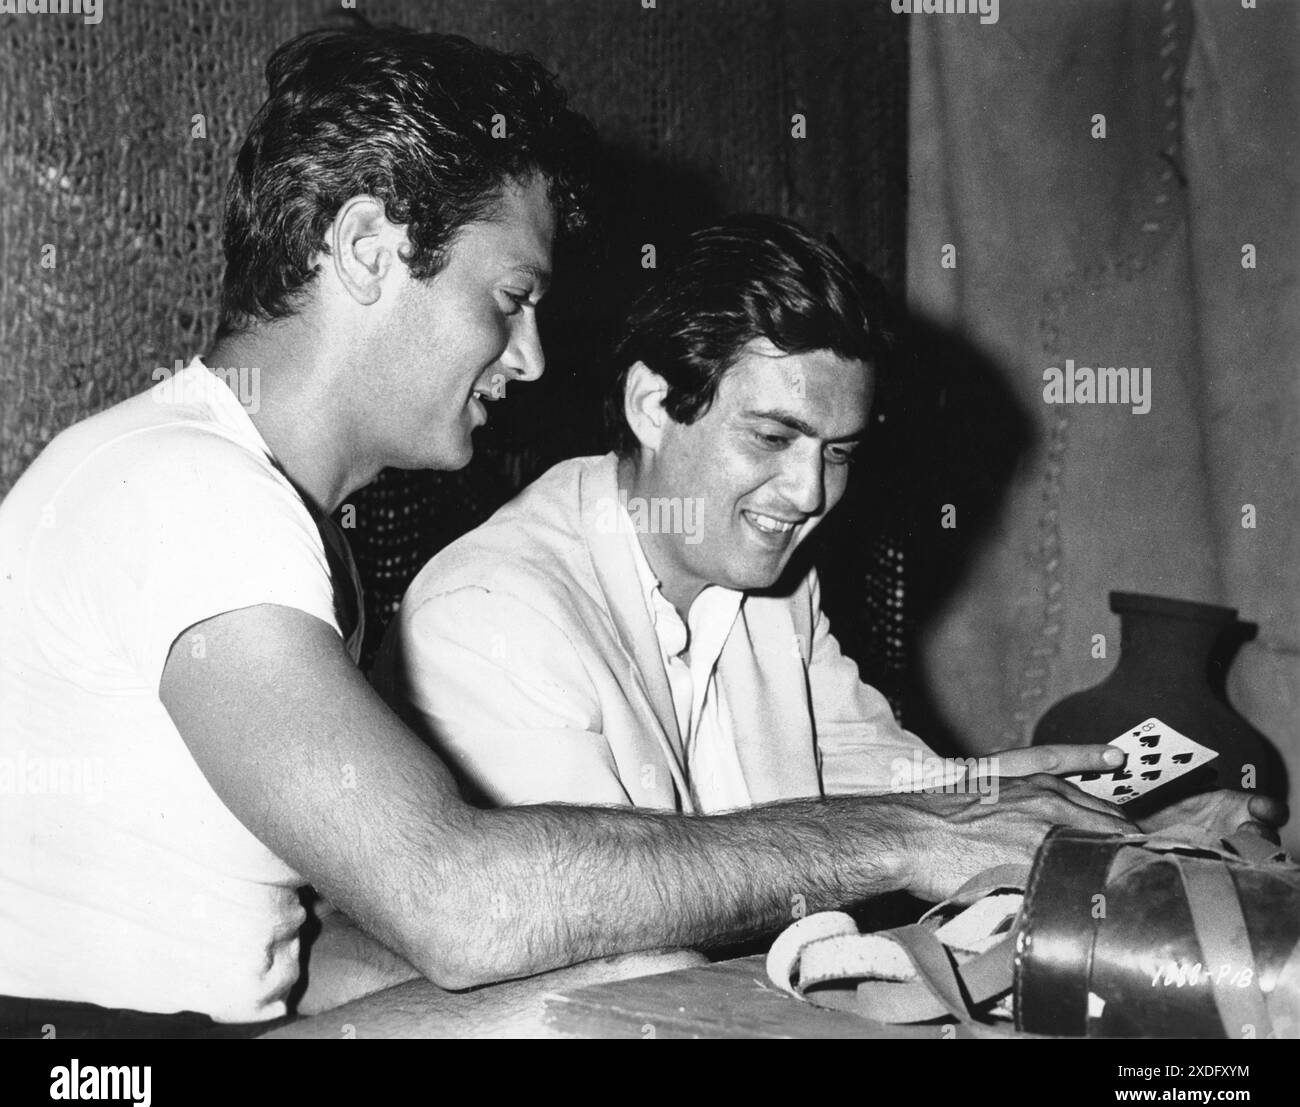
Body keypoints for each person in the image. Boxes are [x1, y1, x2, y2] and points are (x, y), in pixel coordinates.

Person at [0, 24, 1164, 1039]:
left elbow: (297, 949)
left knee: (643, 989)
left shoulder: (258, 508)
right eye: (509, 299)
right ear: (366, 249)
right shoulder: (192, 492)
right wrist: (899, 840)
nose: (534, 357)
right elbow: (458, 900)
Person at [374, 216, 1285, 842]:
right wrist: (923, 844)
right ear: (653, 404)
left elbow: (882, 781)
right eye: (773, 436)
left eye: (840, 451)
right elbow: (623, 930)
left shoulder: (776, 582)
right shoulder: (491, 615)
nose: (810, 492)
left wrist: (1054, 811)